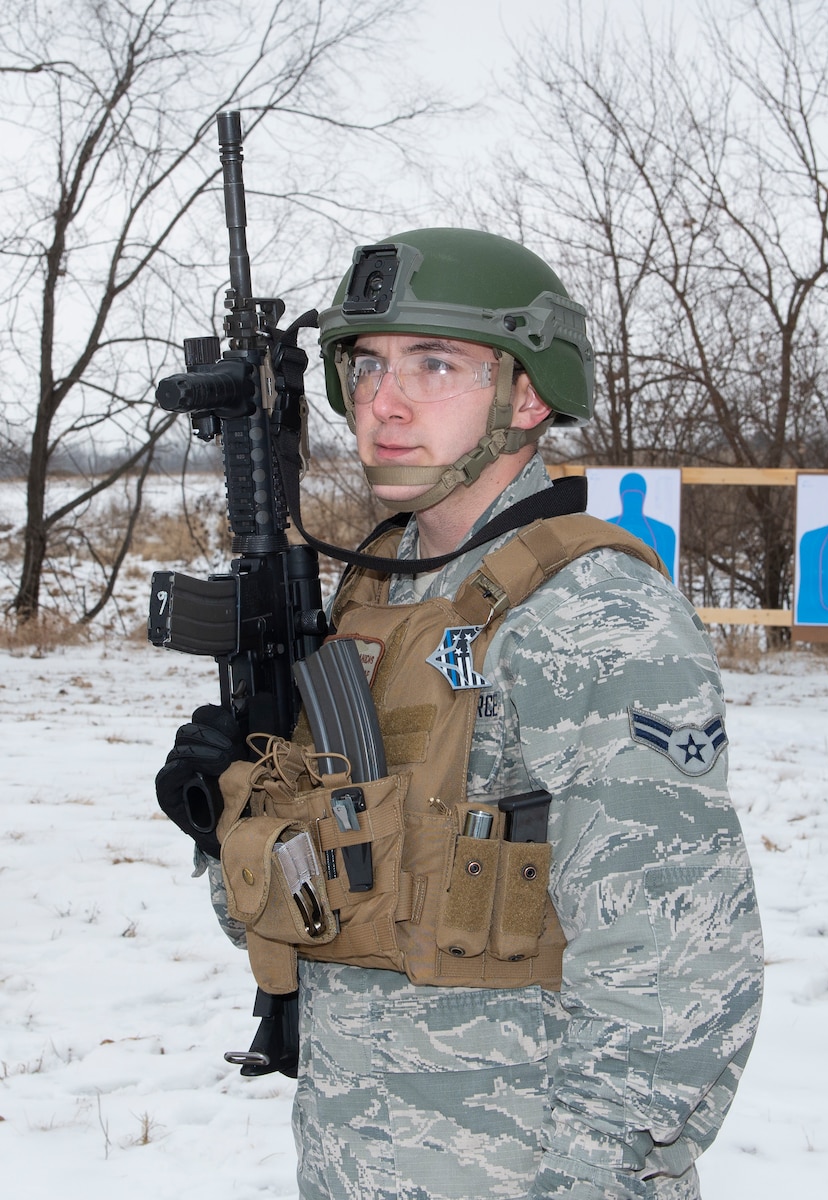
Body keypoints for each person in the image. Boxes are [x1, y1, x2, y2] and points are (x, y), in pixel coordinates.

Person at [159, 228, 764, 1200]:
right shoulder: (359, 604)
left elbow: (677, 967)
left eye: (433, 365)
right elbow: (314, 921)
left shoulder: (591, 613)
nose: (383, 403)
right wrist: (224, 823)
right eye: (365, 367)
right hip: (352, 1160)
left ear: (525, 395)